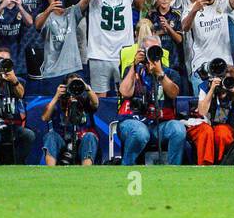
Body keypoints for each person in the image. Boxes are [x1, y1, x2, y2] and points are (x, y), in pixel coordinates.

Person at [117, 36, 185, 165]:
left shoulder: (170, 73)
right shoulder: (133, 70)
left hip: (159, 125)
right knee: (140, 132)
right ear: (142, 51)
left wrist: (160, 74)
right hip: (133, 121)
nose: (152, 54)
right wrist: (134, 65)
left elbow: (173, 94)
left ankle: (174, 171)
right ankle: (126, 168)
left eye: (156, 49)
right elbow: (125, 92)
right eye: (149, 50)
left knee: (178, 129)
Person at [42, 76, 101, 166]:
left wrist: (87, 88)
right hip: (62, 142)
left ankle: (87, 172)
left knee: (90, 136)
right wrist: (56, 97)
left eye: (77, 84)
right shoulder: (59, 103)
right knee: (51, 135)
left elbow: (96, 103)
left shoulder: (85, 102)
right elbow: (44, 118)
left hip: (82, 142)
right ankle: (50, 172)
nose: (74, 87)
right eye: (71, 85)